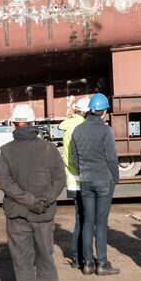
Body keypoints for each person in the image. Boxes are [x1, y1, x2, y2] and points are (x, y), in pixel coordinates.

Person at [0, 103, 67, 281]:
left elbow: (5, 184)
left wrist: (29, 201)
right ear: (34, 123)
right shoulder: (50, 149)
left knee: (23, 262)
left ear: (13, 124)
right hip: (44, 216)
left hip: (18, 216)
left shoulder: (6, 151)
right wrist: (42, 201)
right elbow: (60, 180)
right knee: (46, 258)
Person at [70, 93, 120, 275]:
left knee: (87, 222)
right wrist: (115, 178)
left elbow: (74, 158)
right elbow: (112, 158)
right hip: (104, 180)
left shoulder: (78, 130)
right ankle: (102, 264)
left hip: (85, 181)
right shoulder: (106, 130)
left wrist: (84, 171)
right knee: (101, 222)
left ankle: (88, 264)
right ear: (104, 111)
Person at [60, 96, 90, 270]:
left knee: (81, 219)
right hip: (80, 179)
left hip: (73, 180)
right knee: (84, 220)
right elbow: (76, 157)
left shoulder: (70, 126)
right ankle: (80, 258)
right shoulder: (79, 128)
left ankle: (78, 257)